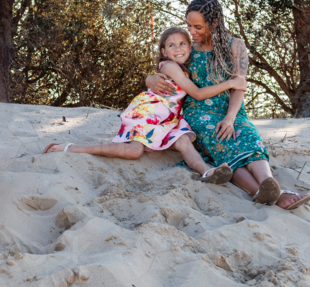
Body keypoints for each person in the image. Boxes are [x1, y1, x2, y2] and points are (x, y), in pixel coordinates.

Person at [145, 0, 310, 210]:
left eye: (198, 26)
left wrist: (231, 118)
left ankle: (268, 184)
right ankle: (271, 194)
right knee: (223, 145)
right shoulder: (187, 48)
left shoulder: (236, 46)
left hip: (231, 109)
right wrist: (149, 79)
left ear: (214, 23)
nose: (192, 32)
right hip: (198, 111)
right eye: (189, 26)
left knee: (248, 137)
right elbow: (165, 67)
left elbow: (239, 86)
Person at [44, 26, 246, 184]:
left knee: (184, 142)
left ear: (190, 46)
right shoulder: (170, 66)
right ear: (163, 51)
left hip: (169, 118)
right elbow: (197, 93)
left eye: (183, 43)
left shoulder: (187, 67)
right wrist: (231, 83)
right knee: (134, 151)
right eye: (172, 45)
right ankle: (72, 148)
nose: (178, 49)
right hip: (149, 112)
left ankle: (207, 172)